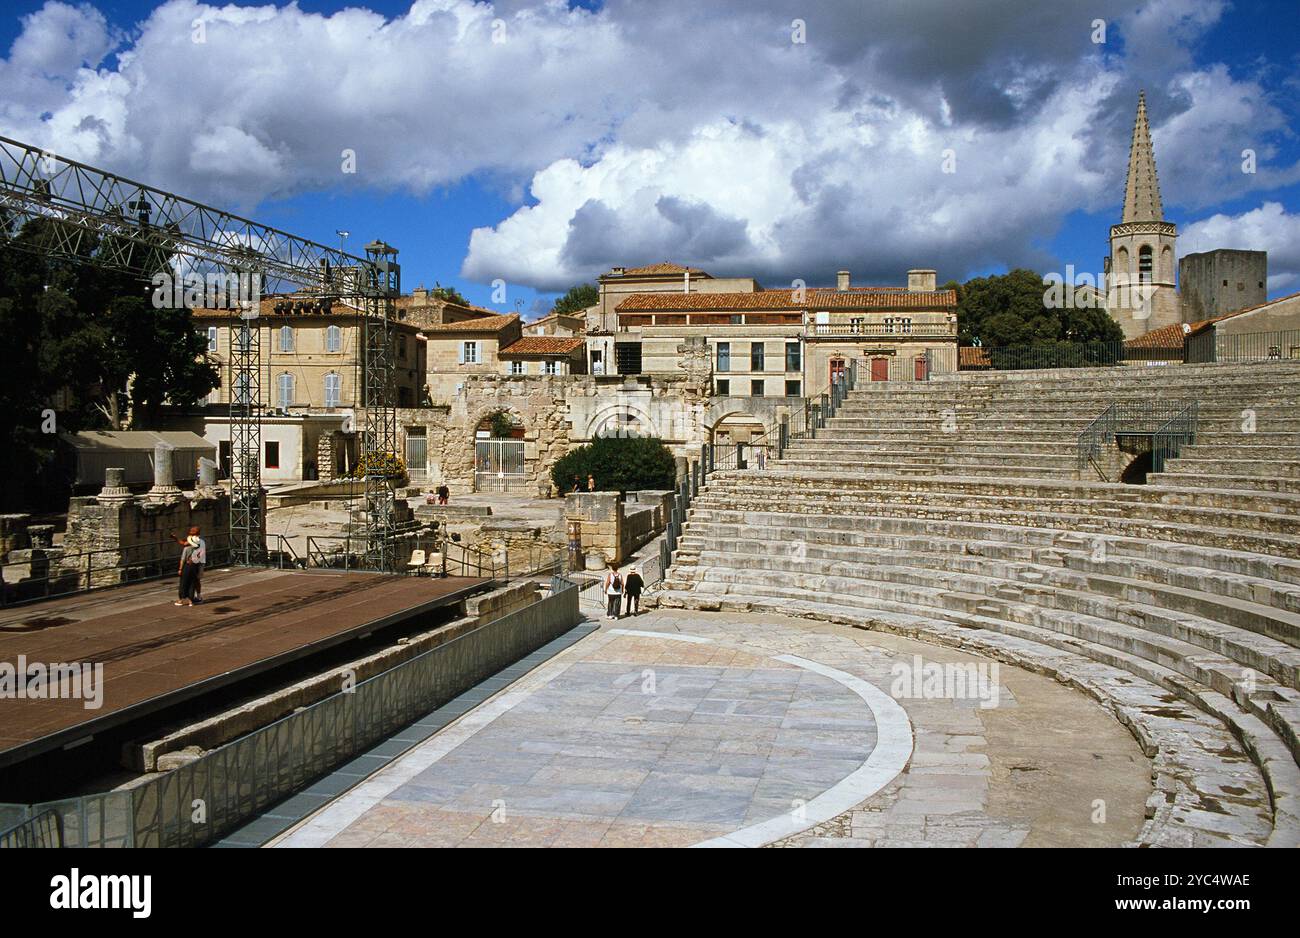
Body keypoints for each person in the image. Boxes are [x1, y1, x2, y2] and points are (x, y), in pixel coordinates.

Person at [174, 539, 197, 606]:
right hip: (194, 567)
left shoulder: (186, 549)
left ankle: (181, 600)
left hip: (186, 567)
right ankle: (190, 601)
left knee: (183, 583)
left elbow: (182, 559)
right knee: (192, 584)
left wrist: (180, 569)